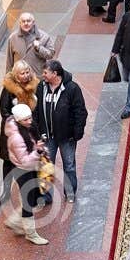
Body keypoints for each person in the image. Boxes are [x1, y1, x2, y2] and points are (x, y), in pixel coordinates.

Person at [35, 60, 88, 203]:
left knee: (69, 165)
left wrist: (77, 133)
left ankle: (70, 193)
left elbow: (80, 112)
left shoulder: (72, 89)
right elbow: (37, 110)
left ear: (55, 74)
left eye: (45, 73)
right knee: (46, 165)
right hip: (47, 136)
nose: (43, 75)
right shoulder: (41, 87)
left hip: (67, 137)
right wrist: (37, 132)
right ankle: (46, 196)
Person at [2, 102, 48, 245]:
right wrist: (38, 151)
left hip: (30, 169)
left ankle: (14, 221)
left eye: (30, 118)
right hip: (23, 171)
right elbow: (25, 160)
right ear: (17, 120)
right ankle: (31, 234)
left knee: (32, 199)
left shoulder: (25, 128)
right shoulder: (16, 138)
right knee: (28, 203)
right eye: (26, 119)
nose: (30, 121)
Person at [0, 59, 38, 204]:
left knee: (31, 162)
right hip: (11, 134)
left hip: (30, 131)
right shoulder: (9, 89)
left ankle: (33, 194)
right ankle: (6, 192)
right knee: (8, 163)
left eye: (28, 72)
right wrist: (19, 123)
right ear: (16, 75)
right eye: (22, 73)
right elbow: (4, 111)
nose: (26, 75)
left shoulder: (34, 86)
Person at [6, 11, 55, 77]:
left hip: (37, 78)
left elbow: (50, 55)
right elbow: (9, 61)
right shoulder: (13, 38)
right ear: (20, 23)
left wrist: (39, 48)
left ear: (33, 22)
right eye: (23, 21)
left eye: (28, 21)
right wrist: (8, 78)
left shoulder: (44, 36)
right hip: (19, 79)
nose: (26, 23)